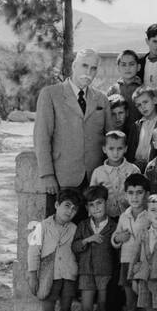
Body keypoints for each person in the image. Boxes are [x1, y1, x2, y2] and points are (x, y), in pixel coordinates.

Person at [33, 49, 109, 204]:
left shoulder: (101, 99)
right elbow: (41, 137)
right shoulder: (50, 94)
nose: (88, 72)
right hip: (62, 178)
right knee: (61, 219)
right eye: (84, 65)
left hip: (94, 179)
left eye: (93, 68)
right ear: (74, 66)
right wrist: (47, 175)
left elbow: (110, 137)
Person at [28, 187, 81, 311]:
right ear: (57, 205)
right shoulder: (42, 227)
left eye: (74, 209)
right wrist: (33, 274)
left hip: (68, 275)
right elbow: (33, 251)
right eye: (67, 205)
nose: (70, 211)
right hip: (49, 276)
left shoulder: (74, 229)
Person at [73, 184, 116, 311]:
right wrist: (87, 240)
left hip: (105, 272)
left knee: (104, 307)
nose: (96, 208)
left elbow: (116, 248)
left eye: (99, 203)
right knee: (86, 309)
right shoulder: (83, 226)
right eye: (91, 205)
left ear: (106, 203)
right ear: (87, 208)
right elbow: (75, 246)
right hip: (86, 272)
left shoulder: (113, 226)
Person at [111, 172, 151, 311]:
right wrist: (118, 238)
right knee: (130, 302)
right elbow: (115, 238)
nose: (135, 197)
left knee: (146, 302)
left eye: (139, 192)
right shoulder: (124, 216)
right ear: (126, 195)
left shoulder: (150, 215)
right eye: (131, 193)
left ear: (146, 194)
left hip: (143, 263)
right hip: (127, 262)